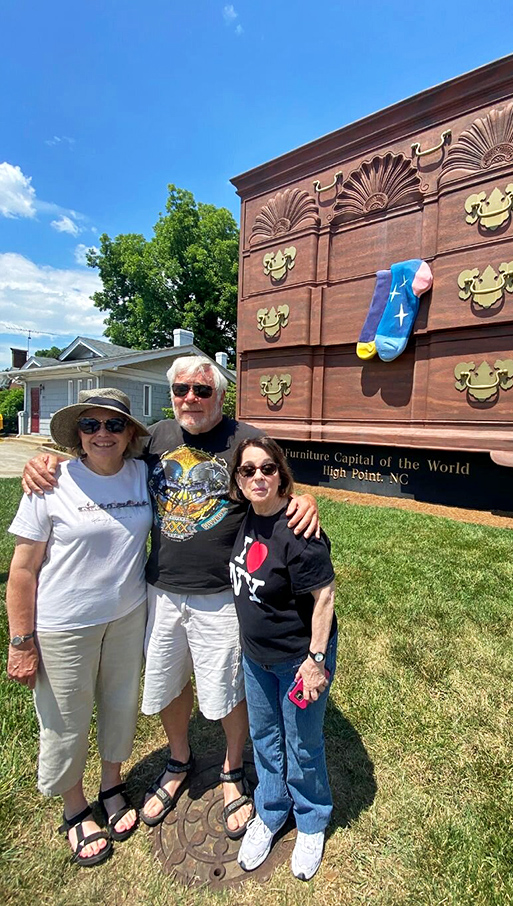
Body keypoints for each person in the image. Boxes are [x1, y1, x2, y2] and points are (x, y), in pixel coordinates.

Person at [22, 355, 319, 840]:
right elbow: (101, 452)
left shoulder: (246, 439)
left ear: (221, 396)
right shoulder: (154, 437)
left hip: (223, 591)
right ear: (172, 394)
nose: (190, 399)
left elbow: (280, 484)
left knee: (225, 688)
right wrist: (49, 460)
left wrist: (306, 500)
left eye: (202, 391)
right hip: (159, 590)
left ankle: (230, 770)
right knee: (167, 681)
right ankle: (179, 759)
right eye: (181, 390)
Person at [7, 389, 151, 867]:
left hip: (128, 615)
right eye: (90, 426)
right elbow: (23, 570)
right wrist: (22, 641)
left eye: (113, 425)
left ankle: (112, 783)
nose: (102, 434)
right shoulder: (51, 482)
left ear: (130, 434)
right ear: (78, 435)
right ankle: (75, 809)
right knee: (65, 720)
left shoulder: (142, 474)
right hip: (63, 625)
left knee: (120, 705)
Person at [228, 436, 337, 881]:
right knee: (264, 737)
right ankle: (271, 812)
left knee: (303, 744)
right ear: (237, 479)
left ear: (281, 475)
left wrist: (315, 660)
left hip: (298, 658)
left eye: (268, 469)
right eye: (248, 469)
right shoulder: (243, 517)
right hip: (257, 657)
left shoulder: (300, 530)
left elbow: (325, 596)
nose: (258, 477)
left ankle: (312, 820)